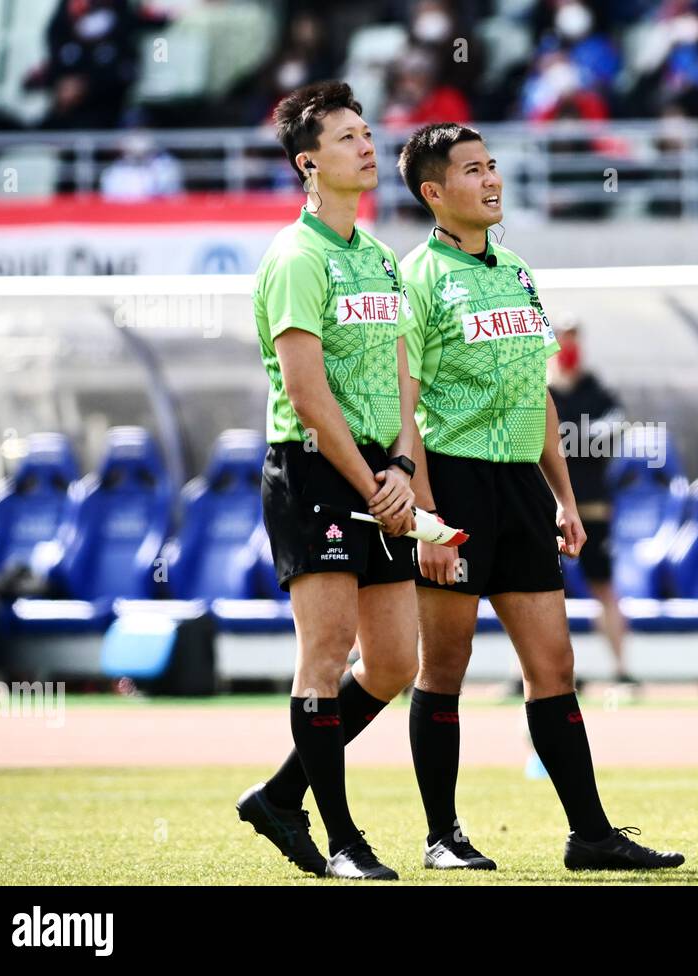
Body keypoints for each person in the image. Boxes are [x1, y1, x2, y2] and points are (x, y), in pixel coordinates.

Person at [396, 122, 684, 871]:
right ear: (434, 192)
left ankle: (591, 837)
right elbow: (406, 403)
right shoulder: (418, 277)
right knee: (444, 668)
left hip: (523, 488)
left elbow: (541, 396)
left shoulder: (519, 271)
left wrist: (559, 494)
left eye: (493, 166)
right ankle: (442, 836)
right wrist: (425, 516)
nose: (492, 179)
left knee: (553, 666)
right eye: (472, 170)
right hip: (452, 485)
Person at [236, 81, 421, 881]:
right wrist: (369, 481)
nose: (367, 146)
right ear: (309, 163)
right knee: (326, 654)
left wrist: (405, 469)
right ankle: (344, 841)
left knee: (394, 665)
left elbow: (404, 374)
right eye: (347, 138)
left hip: (382, 470)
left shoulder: (379, 257)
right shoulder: (296, 256)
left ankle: (279, 794)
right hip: (313, 469)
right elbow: (308, 396)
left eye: (367, 132)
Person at [547, 322, 636, 688]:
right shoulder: (543, 390)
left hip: (592, 506)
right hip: (549, 506)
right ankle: (537, 672)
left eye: (573, 339)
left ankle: (621, 670)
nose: (569, 347)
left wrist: (586, 434)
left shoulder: (597, 392)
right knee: (535, 590)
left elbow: (617, 423)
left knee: (604, 585)